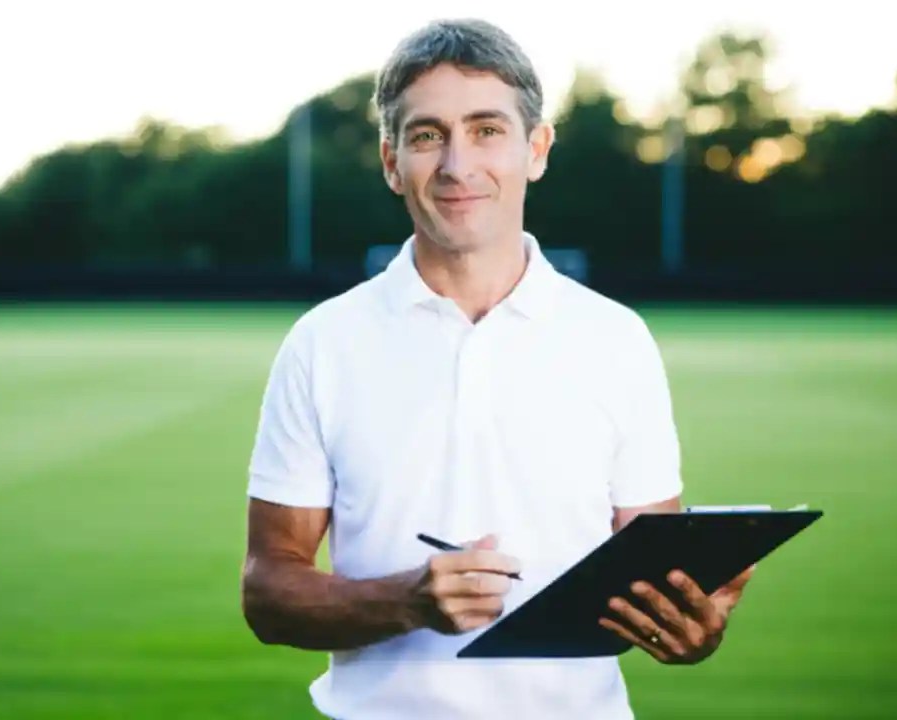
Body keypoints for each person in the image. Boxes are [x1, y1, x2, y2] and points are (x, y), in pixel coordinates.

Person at [241, 18, 754, 720]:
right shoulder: (322, 342)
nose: (457, 165)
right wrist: (408, 601)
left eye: (487, 130)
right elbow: (269, 591)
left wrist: (689, 627)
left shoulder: (617, 339)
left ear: (536, 149)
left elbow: (648, 578)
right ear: (392, 161)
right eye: (427, 136)